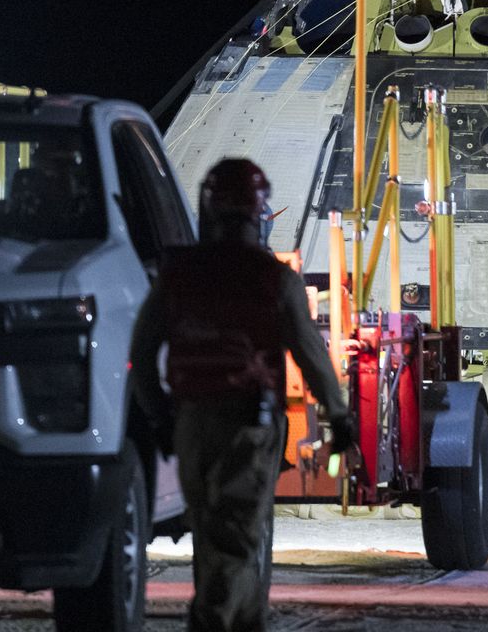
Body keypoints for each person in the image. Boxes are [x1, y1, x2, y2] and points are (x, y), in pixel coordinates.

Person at [129, 158, 357, 632]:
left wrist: (161, 417)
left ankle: (245, 622)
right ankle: (211, 623)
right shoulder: (274, 278)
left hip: (191, 421)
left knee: (212, 535)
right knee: (238, 539)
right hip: (249, 428)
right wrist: (339, 415)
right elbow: (311, 356)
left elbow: (141, 351)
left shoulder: (178, 275)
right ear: (260, 213)